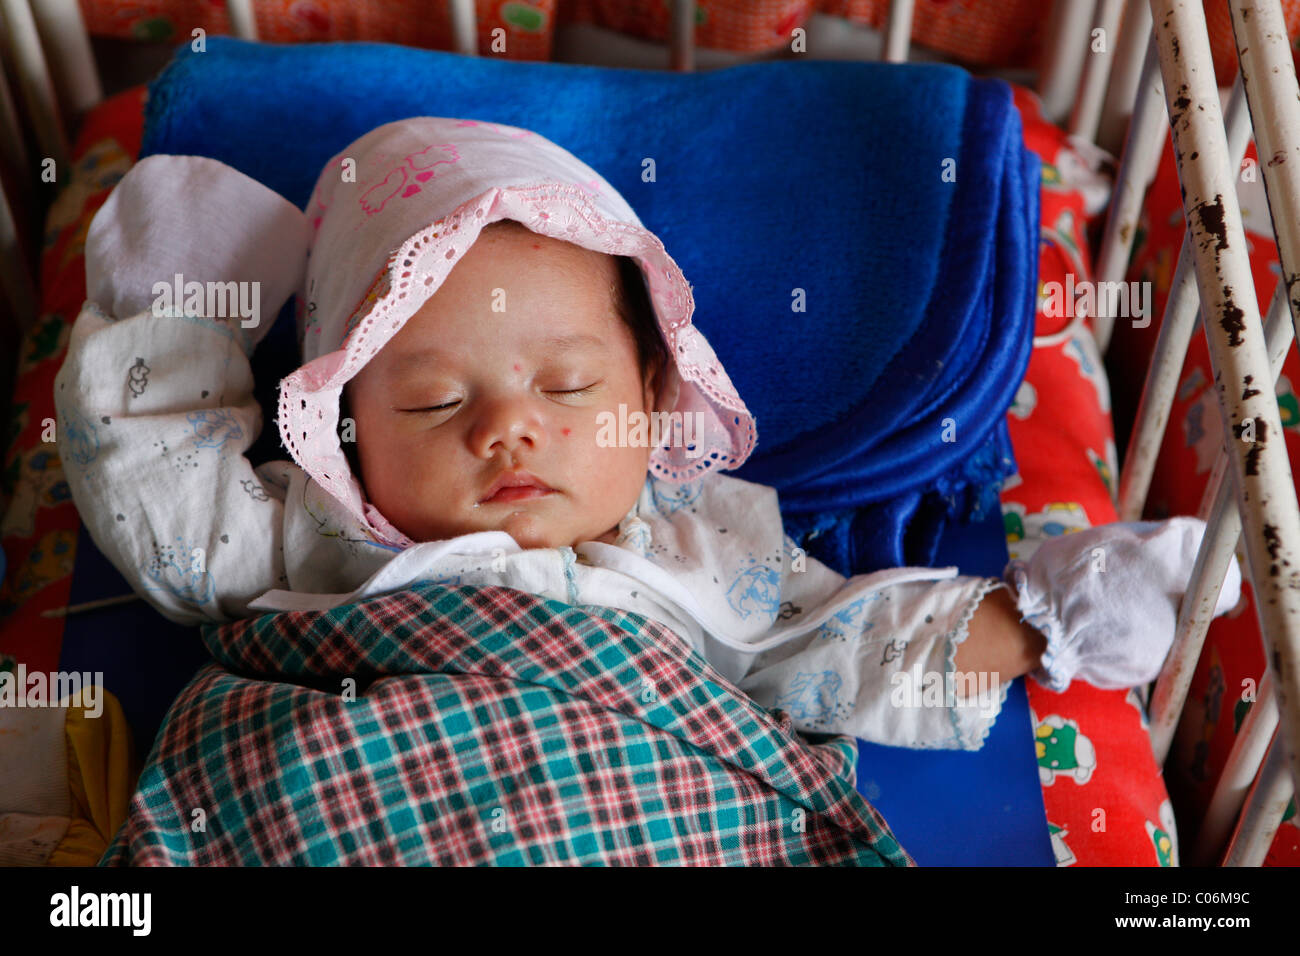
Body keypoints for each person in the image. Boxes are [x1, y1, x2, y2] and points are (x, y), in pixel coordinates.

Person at [54, 116, 1242, 752]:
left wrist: (1043, 620)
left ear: (654, 396)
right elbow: (162, 494)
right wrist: (179, 303)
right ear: (342, 430)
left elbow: (833, 642)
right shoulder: (311, 541)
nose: (511, 428)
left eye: (569, 388)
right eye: (427, 401)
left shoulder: (700, 559)